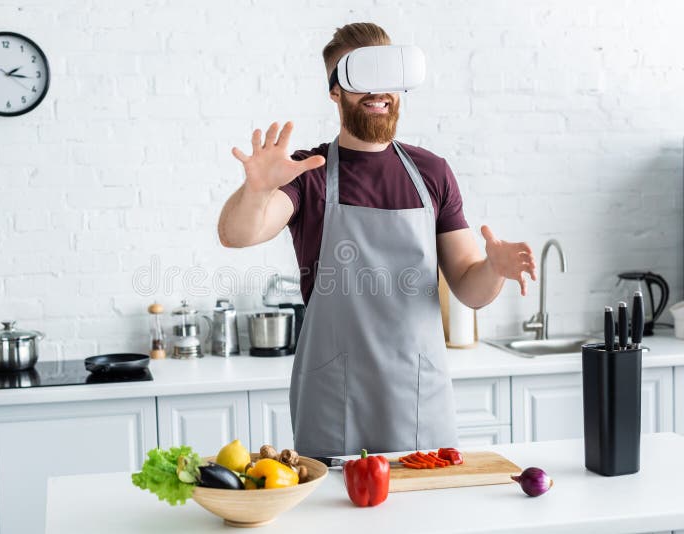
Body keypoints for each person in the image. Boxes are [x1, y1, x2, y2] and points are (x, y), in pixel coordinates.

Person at [217, 22, 536, 456]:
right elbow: (238, 235)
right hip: (333, 398)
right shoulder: (307, 171)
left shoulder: (432, 172)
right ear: (334, 91)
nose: (376, 91)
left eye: (386, 76)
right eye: (359, 78)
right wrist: (257, 190)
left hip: (419, 396)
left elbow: (469, 286)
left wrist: (494, 270)